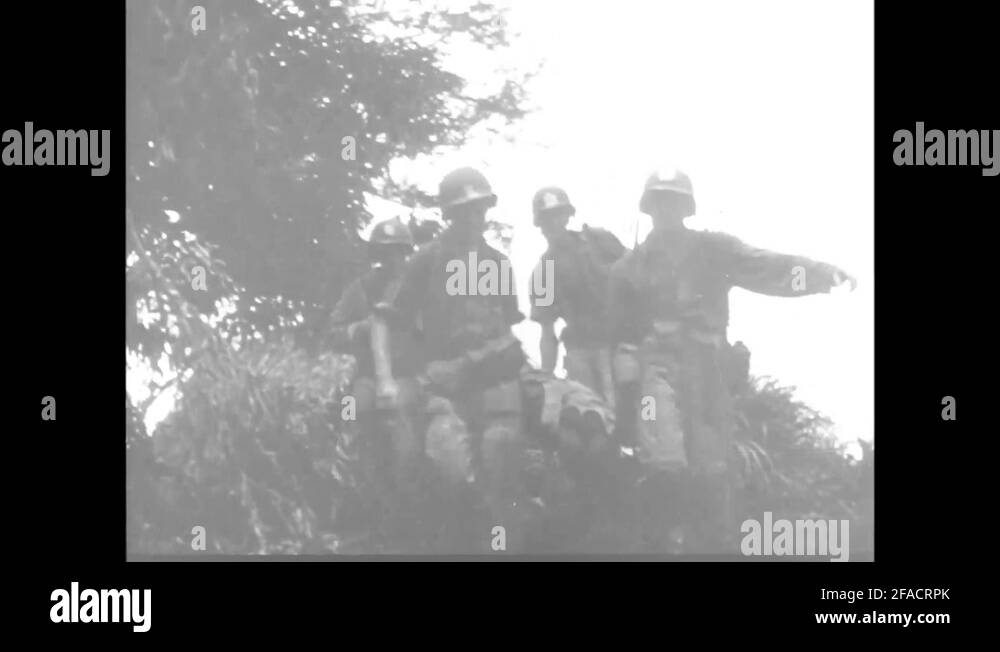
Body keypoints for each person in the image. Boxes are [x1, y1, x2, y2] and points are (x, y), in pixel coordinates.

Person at [608, 167, 856, 550]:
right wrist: (626, 395)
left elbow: (766, 267)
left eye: (674, 201)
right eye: (660, 202)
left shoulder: (713, 250)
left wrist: (822, 276)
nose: (667, 210)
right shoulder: (630, 267)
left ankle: (713, 547)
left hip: (708, 370)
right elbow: (618, 334)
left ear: (686, 207)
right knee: (664, 462)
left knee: (713, 471)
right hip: (657, 370)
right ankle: (663, 544)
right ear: (649, 207)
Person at [372, 167, 531, 552]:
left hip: (494, 386)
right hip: (445, 385)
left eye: (480, 209)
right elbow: (384, 319)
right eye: (464, 211)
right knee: (451, 470)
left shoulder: (497, 263)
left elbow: (509, 326)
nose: (474, 219)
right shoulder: (428, 260)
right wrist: (385, 380)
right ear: (449, 215)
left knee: (503, 469)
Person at [529, 186, 626, 407]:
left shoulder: (600, 241)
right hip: (581, 350)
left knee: (640, 410)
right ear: (539, 224)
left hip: (617, 342)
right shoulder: (544, 272)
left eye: (558, 215)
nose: (554, 223)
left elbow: (633, 275)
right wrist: (547, 376)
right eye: (547, 219)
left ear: (567, 215)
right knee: (592, 415)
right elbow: (547, 330)